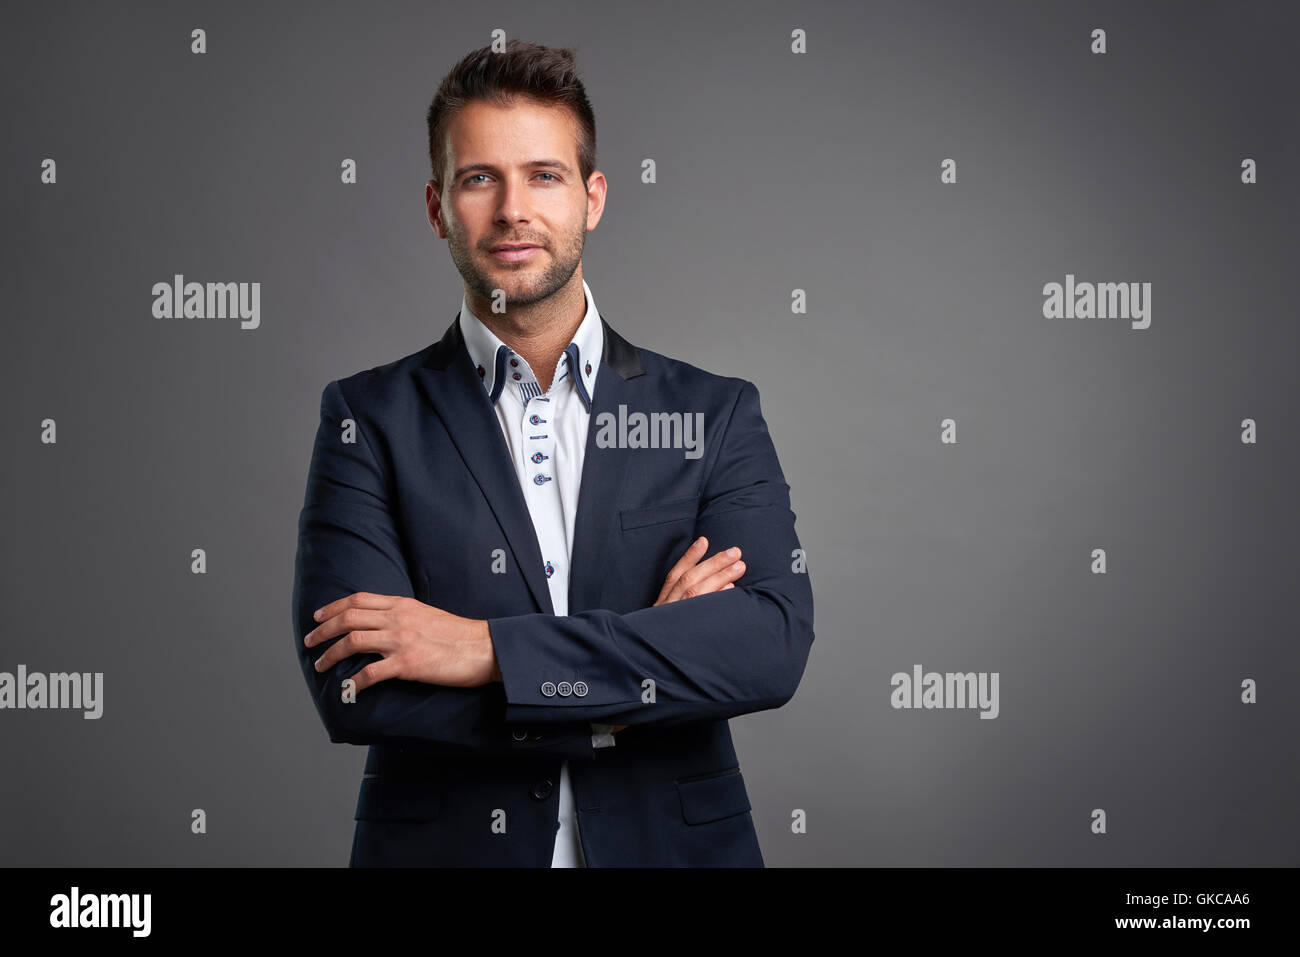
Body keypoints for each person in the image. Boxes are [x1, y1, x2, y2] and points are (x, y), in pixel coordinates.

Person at [292, 38, 814, 867]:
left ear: (592, 197)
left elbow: (768, 647)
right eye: (479, 178)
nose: (512, 210)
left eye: (543, 175)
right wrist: (635, 670)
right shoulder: (367, 418)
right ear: (436, 207)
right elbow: (356, 686)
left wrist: (484, 650)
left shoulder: (714, 413)